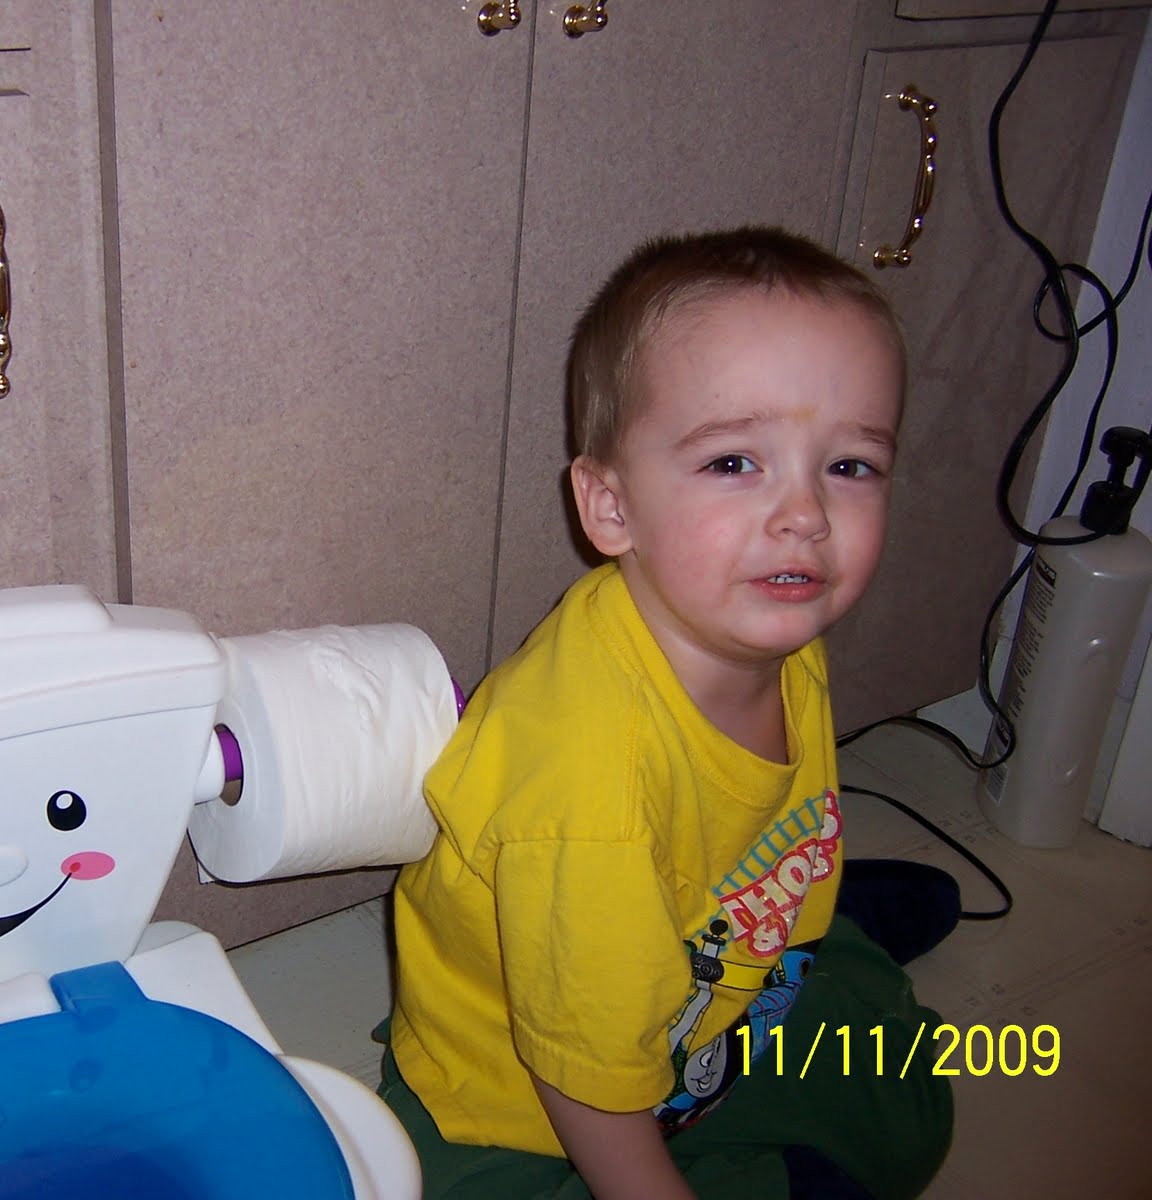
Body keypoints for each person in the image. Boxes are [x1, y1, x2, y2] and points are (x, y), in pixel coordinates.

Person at [379, 227, 957, 1200]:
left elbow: (759, 812)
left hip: (710, 986)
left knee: (911, 1113)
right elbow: (583, 1086)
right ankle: (828, 946)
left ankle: (827, 926)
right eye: (735, 463)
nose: (804, 514)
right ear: (610, 508)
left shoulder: (756, 616)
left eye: (849, 466)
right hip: (528, 1094)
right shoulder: (585, 797)